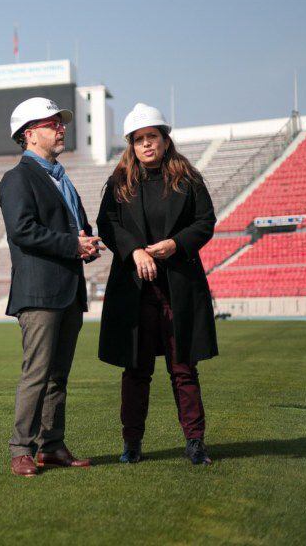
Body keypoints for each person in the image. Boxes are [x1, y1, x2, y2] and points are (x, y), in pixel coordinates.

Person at [96, 103, 218, 466]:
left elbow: (205, 222)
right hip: (134, 293)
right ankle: (131, 444)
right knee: (135, 371)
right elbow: (107, 225)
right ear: (131, 146)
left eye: (152, 137)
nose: (147, 144)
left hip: (178, 289)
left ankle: (195, 441)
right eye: (139, 139)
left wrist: (175, 244)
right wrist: (135, 251)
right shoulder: (119, 183)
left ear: (165, 140)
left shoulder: (188, 179)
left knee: (184, 369)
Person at [0, 97, 105, 477]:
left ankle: (52, 446)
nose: (61, 128)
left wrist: (87, 243)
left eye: (60, 122)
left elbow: (77, 227)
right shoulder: (17, 178)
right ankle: (20, 450)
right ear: (29, 135)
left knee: (58, 376)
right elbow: (22, 230)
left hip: (68, 290)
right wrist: (73, 244)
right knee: (37, 373)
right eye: (52, 123)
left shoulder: (61, 177)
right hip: (40, 292)